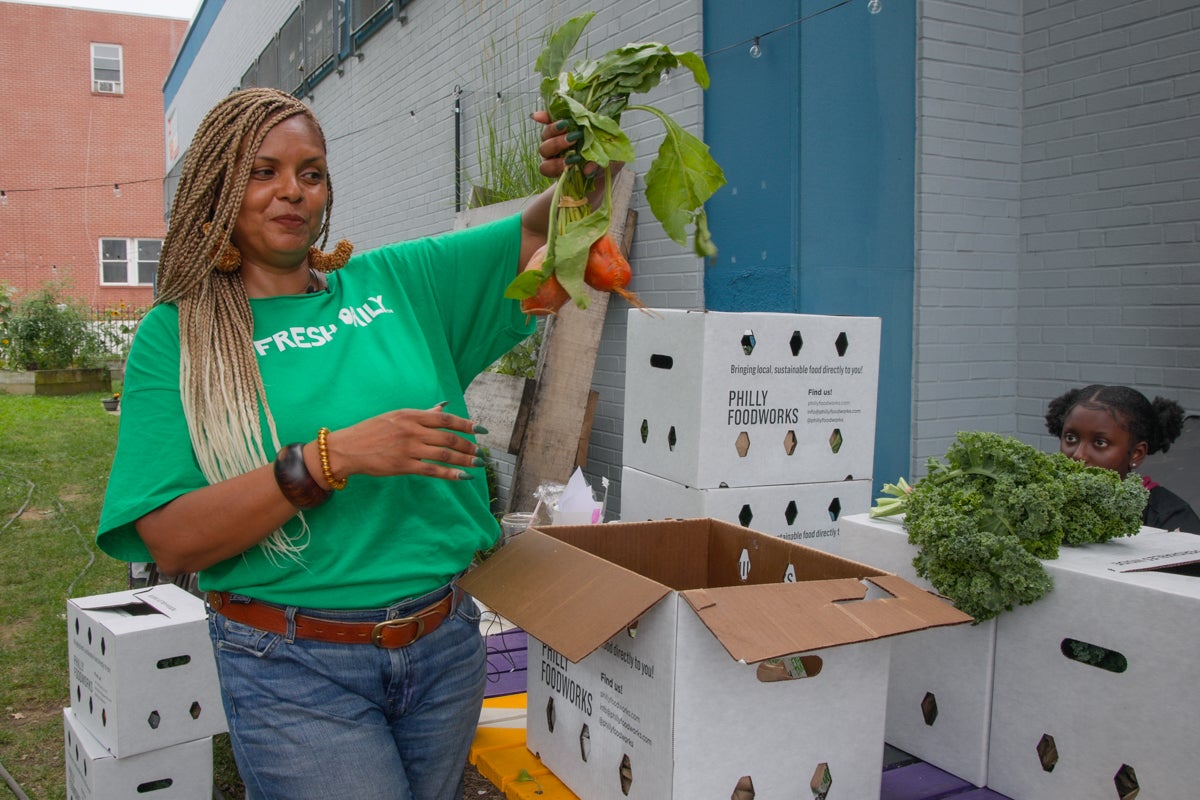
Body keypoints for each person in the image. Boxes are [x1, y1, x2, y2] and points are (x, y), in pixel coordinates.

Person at [96, 87, 609, 800]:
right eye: (263, 171)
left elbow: (540, 230)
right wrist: (329, 459)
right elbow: (171, 541)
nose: (292, 191)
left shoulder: (399, 282)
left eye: (310, 173)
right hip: (292, 664)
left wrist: (583, 164)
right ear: (218, 188)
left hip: (443, 647)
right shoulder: (181, 336)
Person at [1045, 384, 1200, 534]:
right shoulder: (1045, 502)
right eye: (1071, 438)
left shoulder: (1170, 519)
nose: (1078, 455)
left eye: (1100, 443)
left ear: (1136, 453)